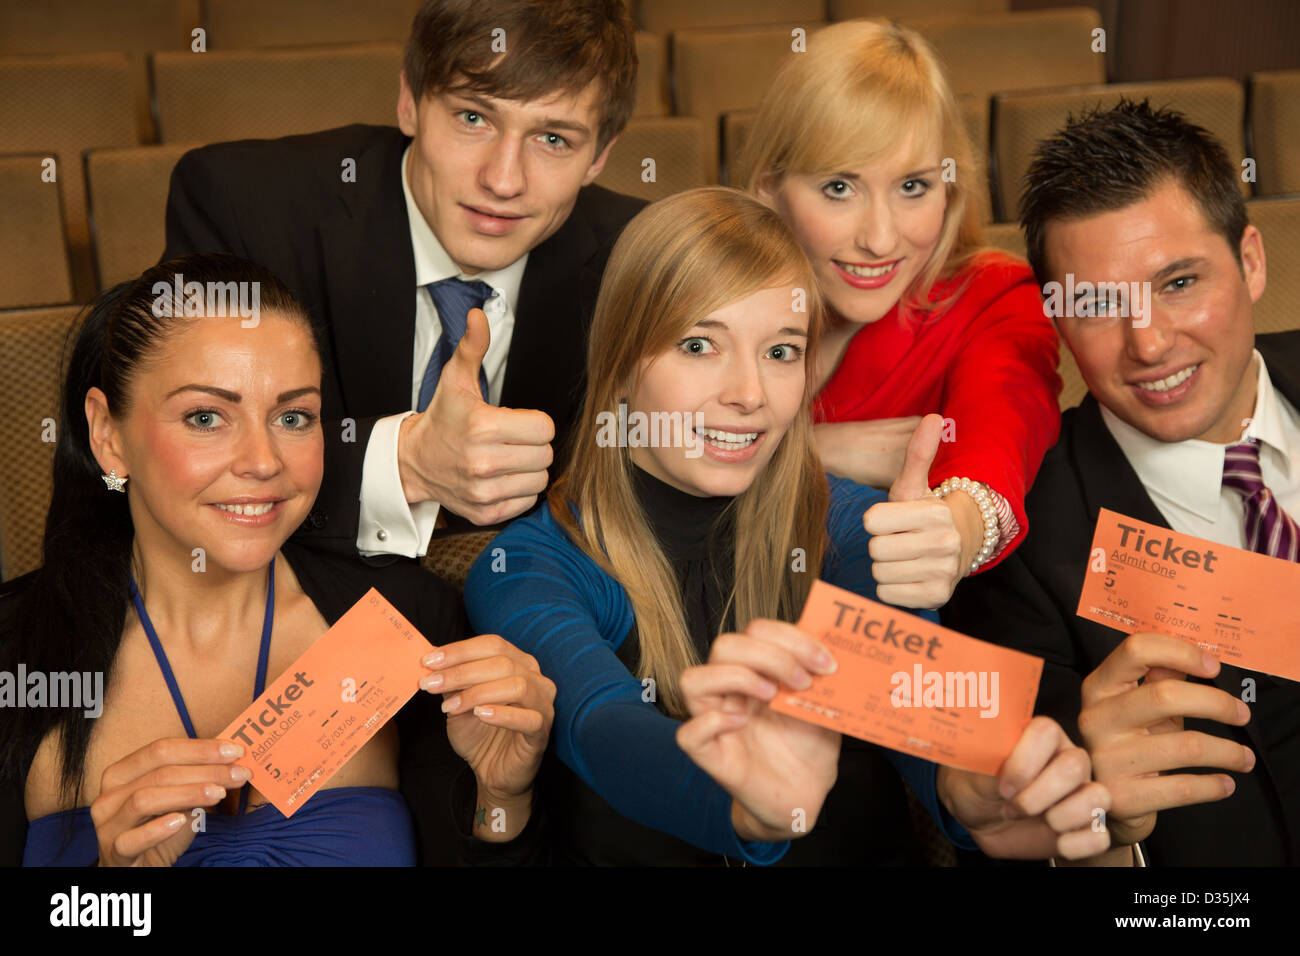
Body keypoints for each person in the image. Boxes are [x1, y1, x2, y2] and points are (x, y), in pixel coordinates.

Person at [464, 187, 1111, 865]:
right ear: (623, 363)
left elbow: (918, 707)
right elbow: (603, 724)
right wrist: (749, 805)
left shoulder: (850, 524)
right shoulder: (529, 565)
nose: (749, 394)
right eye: (698, 345)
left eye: (780, 351)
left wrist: (979, 786)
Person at [0, 254, 554, 867]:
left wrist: (503, 798)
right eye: (206, 417)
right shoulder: (15, 656)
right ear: (108, 435)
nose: (263, 461)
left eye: (293, 417)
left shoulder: (410, 620)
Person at [942, 100, 1300, 865]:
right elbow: (1020, 822)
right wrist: (1097, 829)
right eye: (1099, 305)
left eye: (1178, 282)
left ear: (1253, 261)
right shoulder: (1023, 547)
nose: (1149, 342)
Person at [162, 0, 646, 558]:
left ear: (599, 158)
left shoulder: (637, 257)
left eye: (553, 139)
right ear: (410, 103)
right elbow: (176, 455)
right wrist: (405, 463)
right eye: (473, 118)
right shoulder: (244, 206)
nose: (504, 180)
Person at [743, 19, 1062, 608]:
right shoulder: (712, 296)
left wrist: (959, 531)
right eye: (840, 187)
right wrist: (806, 449)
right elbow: (631, 463)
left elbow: (1002, 428)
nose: (881, 239)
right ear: (770, 189)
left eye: (913, 186)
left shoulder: (993, 294)